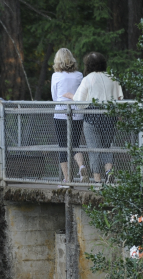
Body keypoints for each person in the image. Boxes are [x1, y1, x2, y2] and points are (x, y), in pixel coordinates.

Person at [63, 52, 122, 184]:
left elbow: (79, 101)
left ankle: (97, 180)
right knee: (107, 146)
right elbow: (119, 98)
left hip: (92, 118)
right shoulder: (113, 78)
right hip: (110, 117)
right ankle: (109, 172)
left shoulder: (88, 79)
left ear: (88, 65)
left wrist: (71, 96)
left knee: (94, 149)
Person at [50, 48, 87, 186]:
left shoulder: (56, 76)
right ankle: (81, 166)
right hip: (77, 114)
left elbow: (54, 97)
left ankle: (67, 179)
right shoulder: (79, 75)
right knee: (75, 144)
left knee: (62, 146)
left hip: (60, 113)